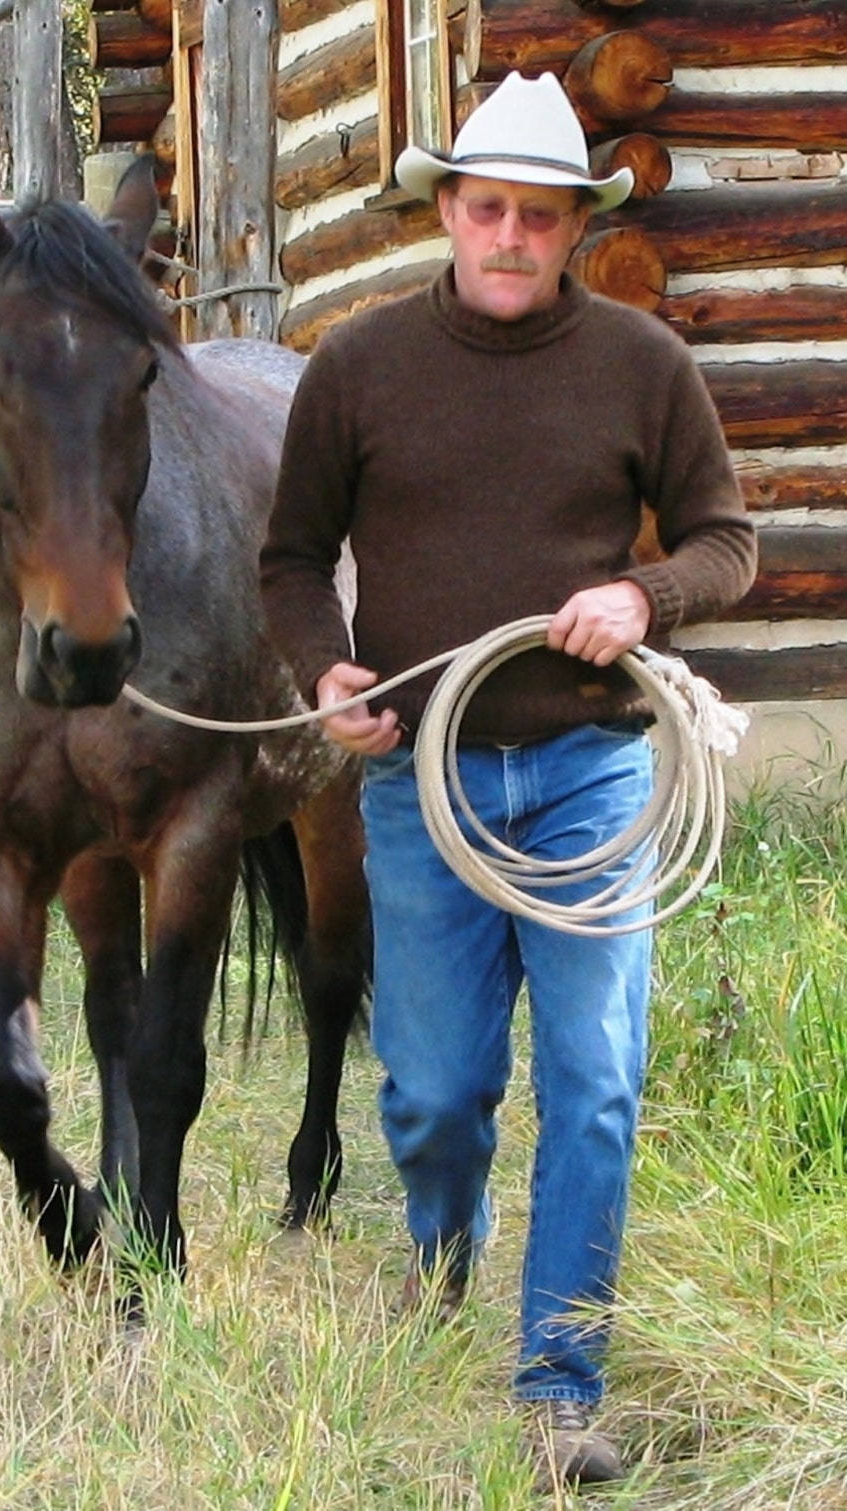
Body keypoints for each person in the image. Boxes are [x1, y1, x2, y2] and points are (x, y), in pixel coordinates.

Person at [260, 69, 757, 1489]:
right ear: (447, 211)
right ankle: (440, 1250)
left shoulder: (643, 364)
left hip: (595, 776)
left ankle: (561, 1387)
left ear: (576, 226)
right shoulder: (357, 368)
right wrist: (329, 672)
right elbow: (292, 559)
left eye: (542, 218)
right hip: (427, 782)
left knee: (594, 1080)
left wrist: (645, 598)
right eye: (490, 211)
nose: (512, 239)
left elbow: (728, 540)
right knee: (434, 1092)